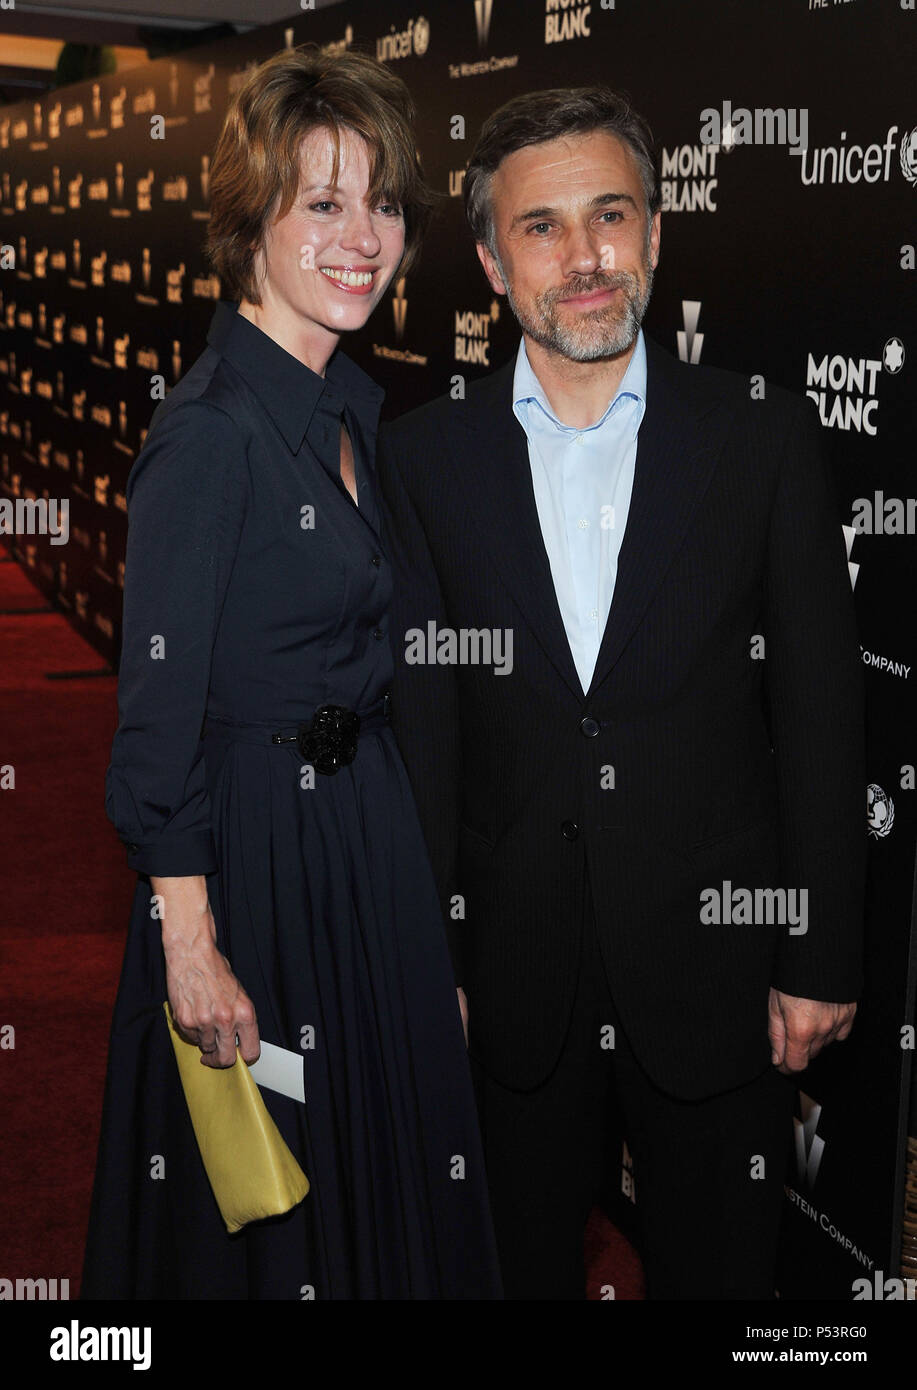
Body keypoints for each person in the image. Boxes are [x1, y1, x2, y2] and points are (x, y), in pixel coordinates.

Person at [376, 86, 865, 1300]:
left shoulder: (758, 436)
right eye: (541, 228)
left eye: (610, 215)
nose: (583, 257)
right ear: (491, 261)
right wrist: (430, 953)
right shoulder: (425, 455)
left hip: (716, 977)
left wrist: (819, 951)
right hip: (512, 979)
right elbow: (426, 730)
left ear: (656, 231)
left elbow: (818, 715)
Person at [81, 45, 502, 1301]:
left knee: (377, 1176)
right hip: (252, 863)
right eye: (320, 203)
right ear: (248, 221)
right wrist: (190, 944)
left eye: (379, 203)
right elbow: (154, 721)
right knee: (268, 1200)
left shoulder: (351, 411)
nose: (359, 236)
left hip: (363, 846)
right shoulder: (209, 438)